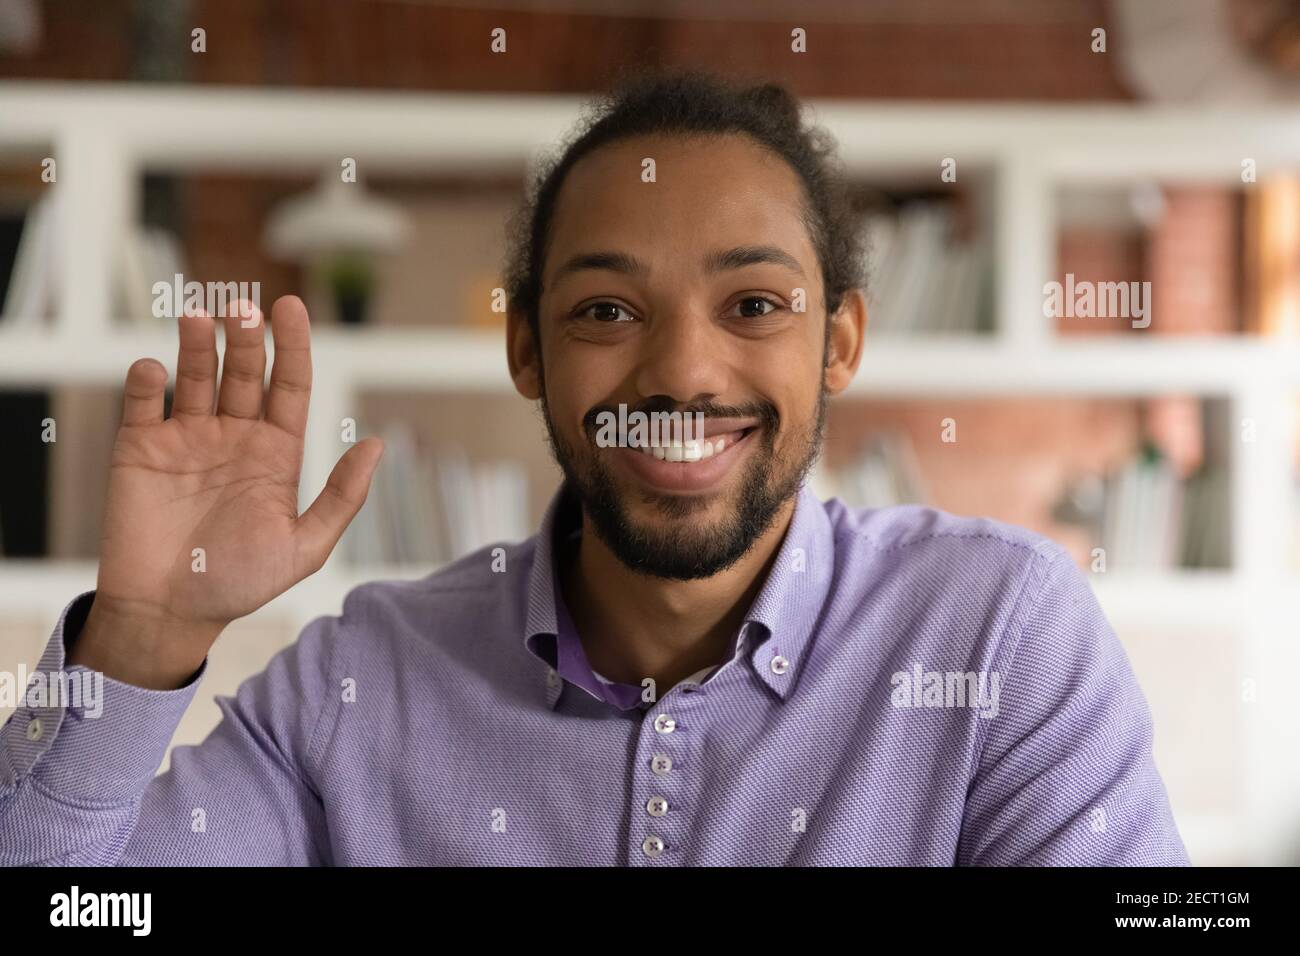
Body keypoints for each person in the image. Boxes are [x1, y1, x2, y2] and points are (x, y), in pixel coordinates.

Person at [0, 70, 1188, 865]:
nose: (680, 371)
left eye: (755, 303)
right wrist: (143, 639)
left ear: (839, 342)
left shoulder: (1000, 637)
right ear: (526, 347)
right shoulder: (357, 684)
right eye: (608, 308)